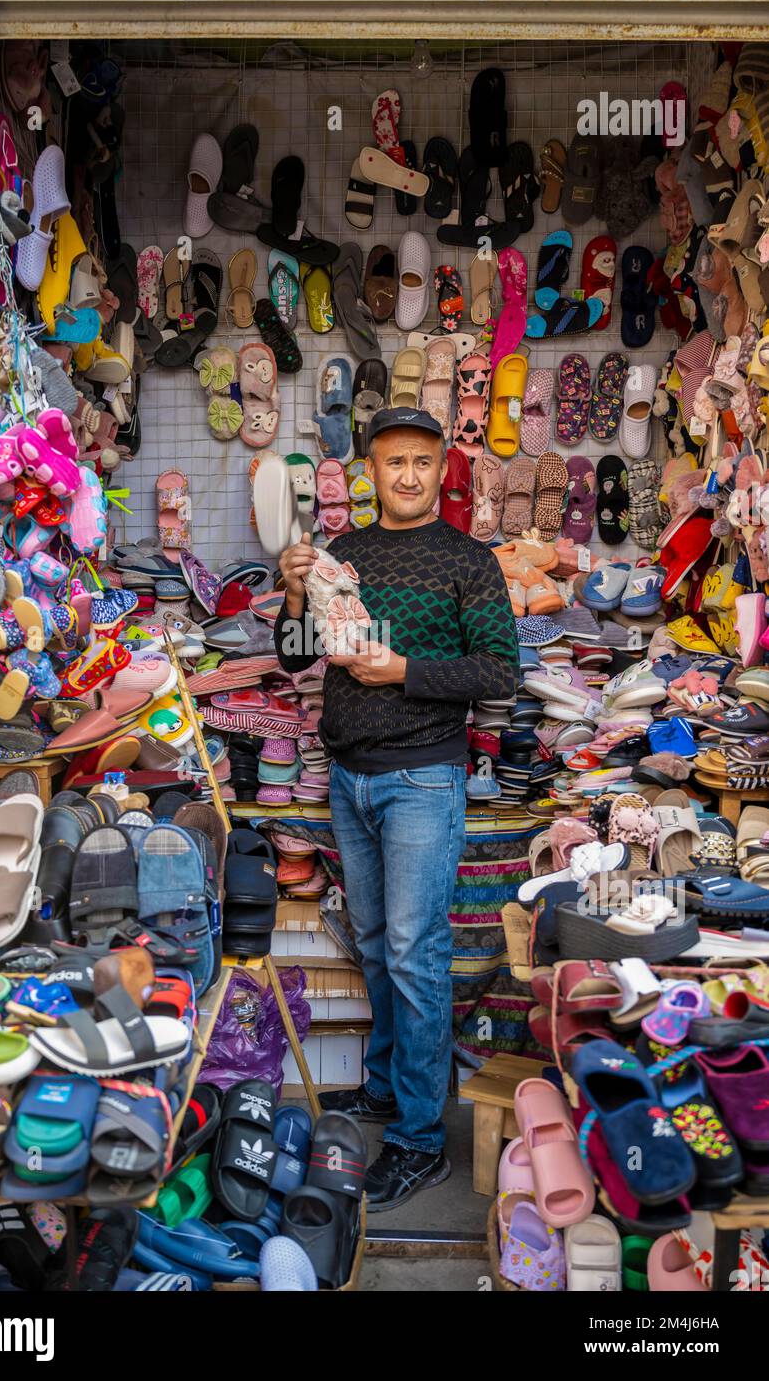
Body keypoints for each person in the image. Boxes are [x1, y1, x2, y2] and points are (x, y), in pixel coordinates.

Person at [275, 407, 519, 1211]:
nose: (407, 476)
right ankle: (384, 1091)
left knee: (414, 954)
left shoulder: (469, 560)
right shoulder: (340, 554)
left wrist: (404, 670)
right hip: (351, 778)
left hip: (423, 779)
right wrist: (290, 591)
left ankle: (419, 1140)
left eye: (421, 462)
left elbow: (499, 671)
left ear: (442, 468)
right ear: (369, 473)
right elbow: (298, 654)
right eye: (392, 464)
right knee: (378, 947)